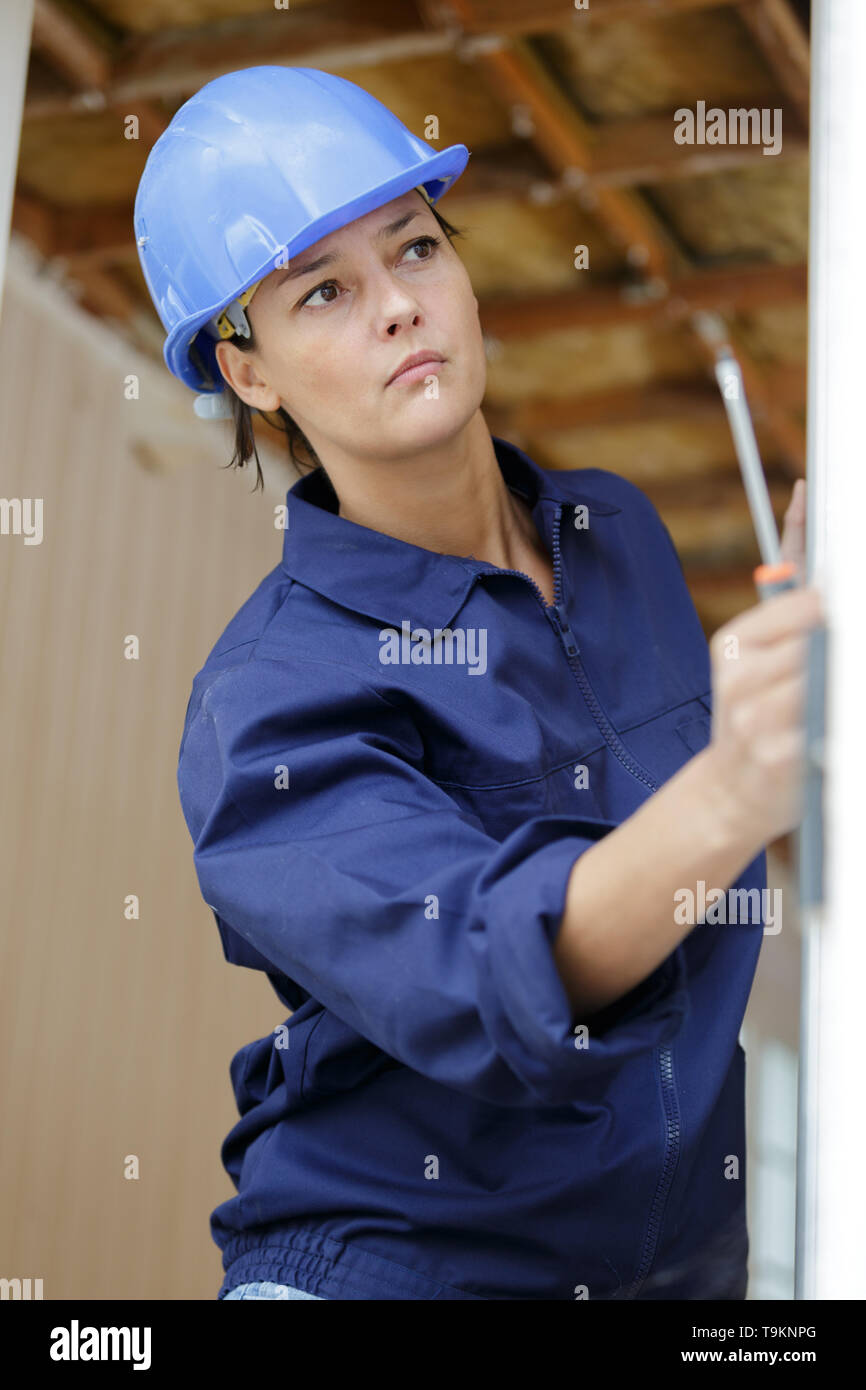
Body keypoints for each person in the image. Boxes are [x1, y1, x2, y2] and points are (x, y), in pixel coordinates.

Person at [135, 66, 823, 1301]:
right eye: (325, 291)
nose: (398, 306)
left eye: (413, 247)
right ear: (250, 373)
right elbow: (491, 964)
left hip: (676, 1280)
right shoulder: (266, 700)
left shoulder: (614, 533)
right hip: (392, 1270)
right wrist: (733, 787)